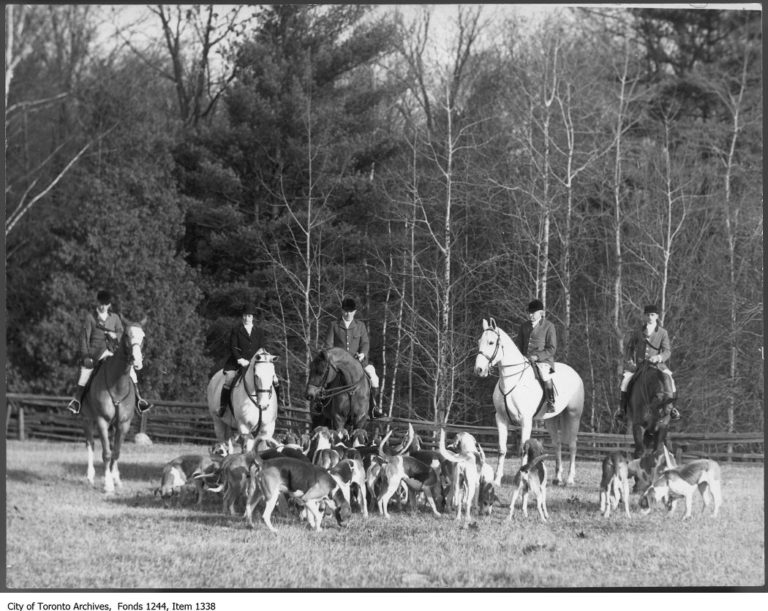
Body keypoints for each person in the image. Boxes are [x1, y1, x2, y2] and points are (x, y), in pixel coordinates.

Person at [66, 290, 152, 415]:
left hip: (113, 351)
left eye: (105, 304)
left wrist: (115, 335)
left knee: (131, 370)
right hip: (96, 353)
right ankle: (77, 400)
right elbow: (84, 338)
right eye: (101, 304)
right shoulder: (90, 318)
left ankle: (139, 399)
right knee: (85, 372)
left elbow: (123, 334)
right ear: (97, 303)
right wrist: (85, 356)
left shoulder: (115, 317)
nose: (103, 307)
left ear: (109, 305)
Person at [217, 303, 282, 417]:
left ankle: (279, 405)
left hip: (256, 362)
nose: (247, 318)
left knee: (275, 379)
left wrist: (266, 357)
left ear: (252, 317)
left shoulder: (259, 331)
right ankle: (223, 406)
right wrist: (239, 359)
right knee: (229, 379)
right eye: (245, 315)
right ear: (242, 316)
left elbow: (262, 348)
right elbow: (233, 347)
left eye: (249, 316)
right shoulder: (236, 330)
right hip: (238, 362)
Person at [322, 296, 382, 418]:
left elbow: (365, 343)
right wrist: (333, 358)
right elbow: (328, 345)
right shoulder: (334, 325)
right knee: (324, 375)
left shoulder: (360, 326)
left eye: (350, 311)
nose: (348, 314)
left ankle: (373, 407)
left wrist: (362, 354)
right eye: (345, 311)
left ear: (354, 312)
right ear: (342, 310)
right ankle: (322, 403)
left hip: (358, 362)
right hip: (339, 364)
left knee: (374, 378)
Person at [619, 304, 680, 421]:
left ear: (656, 316)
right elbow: (629, 348)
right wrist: (630, 361)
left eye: (652, 315)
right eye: (647, 315)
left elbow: (667, 351)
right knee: (625, 381)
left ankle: (672, 408)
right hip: (640, 366)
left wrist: (658, 357)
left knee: (670, 379)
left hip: (657, 366)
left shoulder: (663, 332)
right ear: (644, 316)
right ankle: (622, 410)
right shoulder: (638, 332)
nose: (650, 317)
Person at [515, 299, 556, 413]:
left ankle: (550, 402)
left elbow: (552, 348)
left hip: (543, 361)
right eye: (529, 312)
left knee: (546, 375)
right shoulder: (524, 326)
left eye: (533, 312)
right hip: (525, 359)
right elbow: (519, 344)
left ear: (541, 313)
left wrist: (537, 357)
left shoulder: (549, 326)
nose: (530, 315)